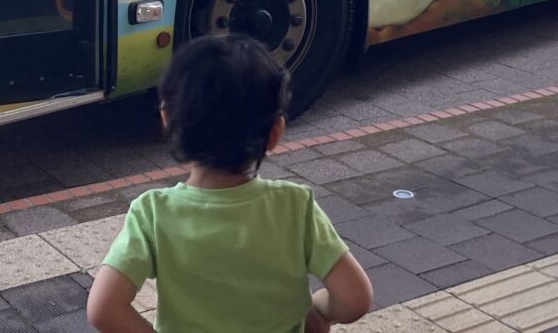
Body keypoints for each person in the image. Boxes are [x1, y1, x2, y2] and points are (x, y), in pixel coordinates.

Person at [87, 35, 373, 333]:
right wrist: (318, 310)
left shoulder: (152, 213)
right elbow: (355, 298)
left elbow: (103, 308)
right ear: (275, 133)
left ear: (166, 118)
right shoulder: (294, 205)